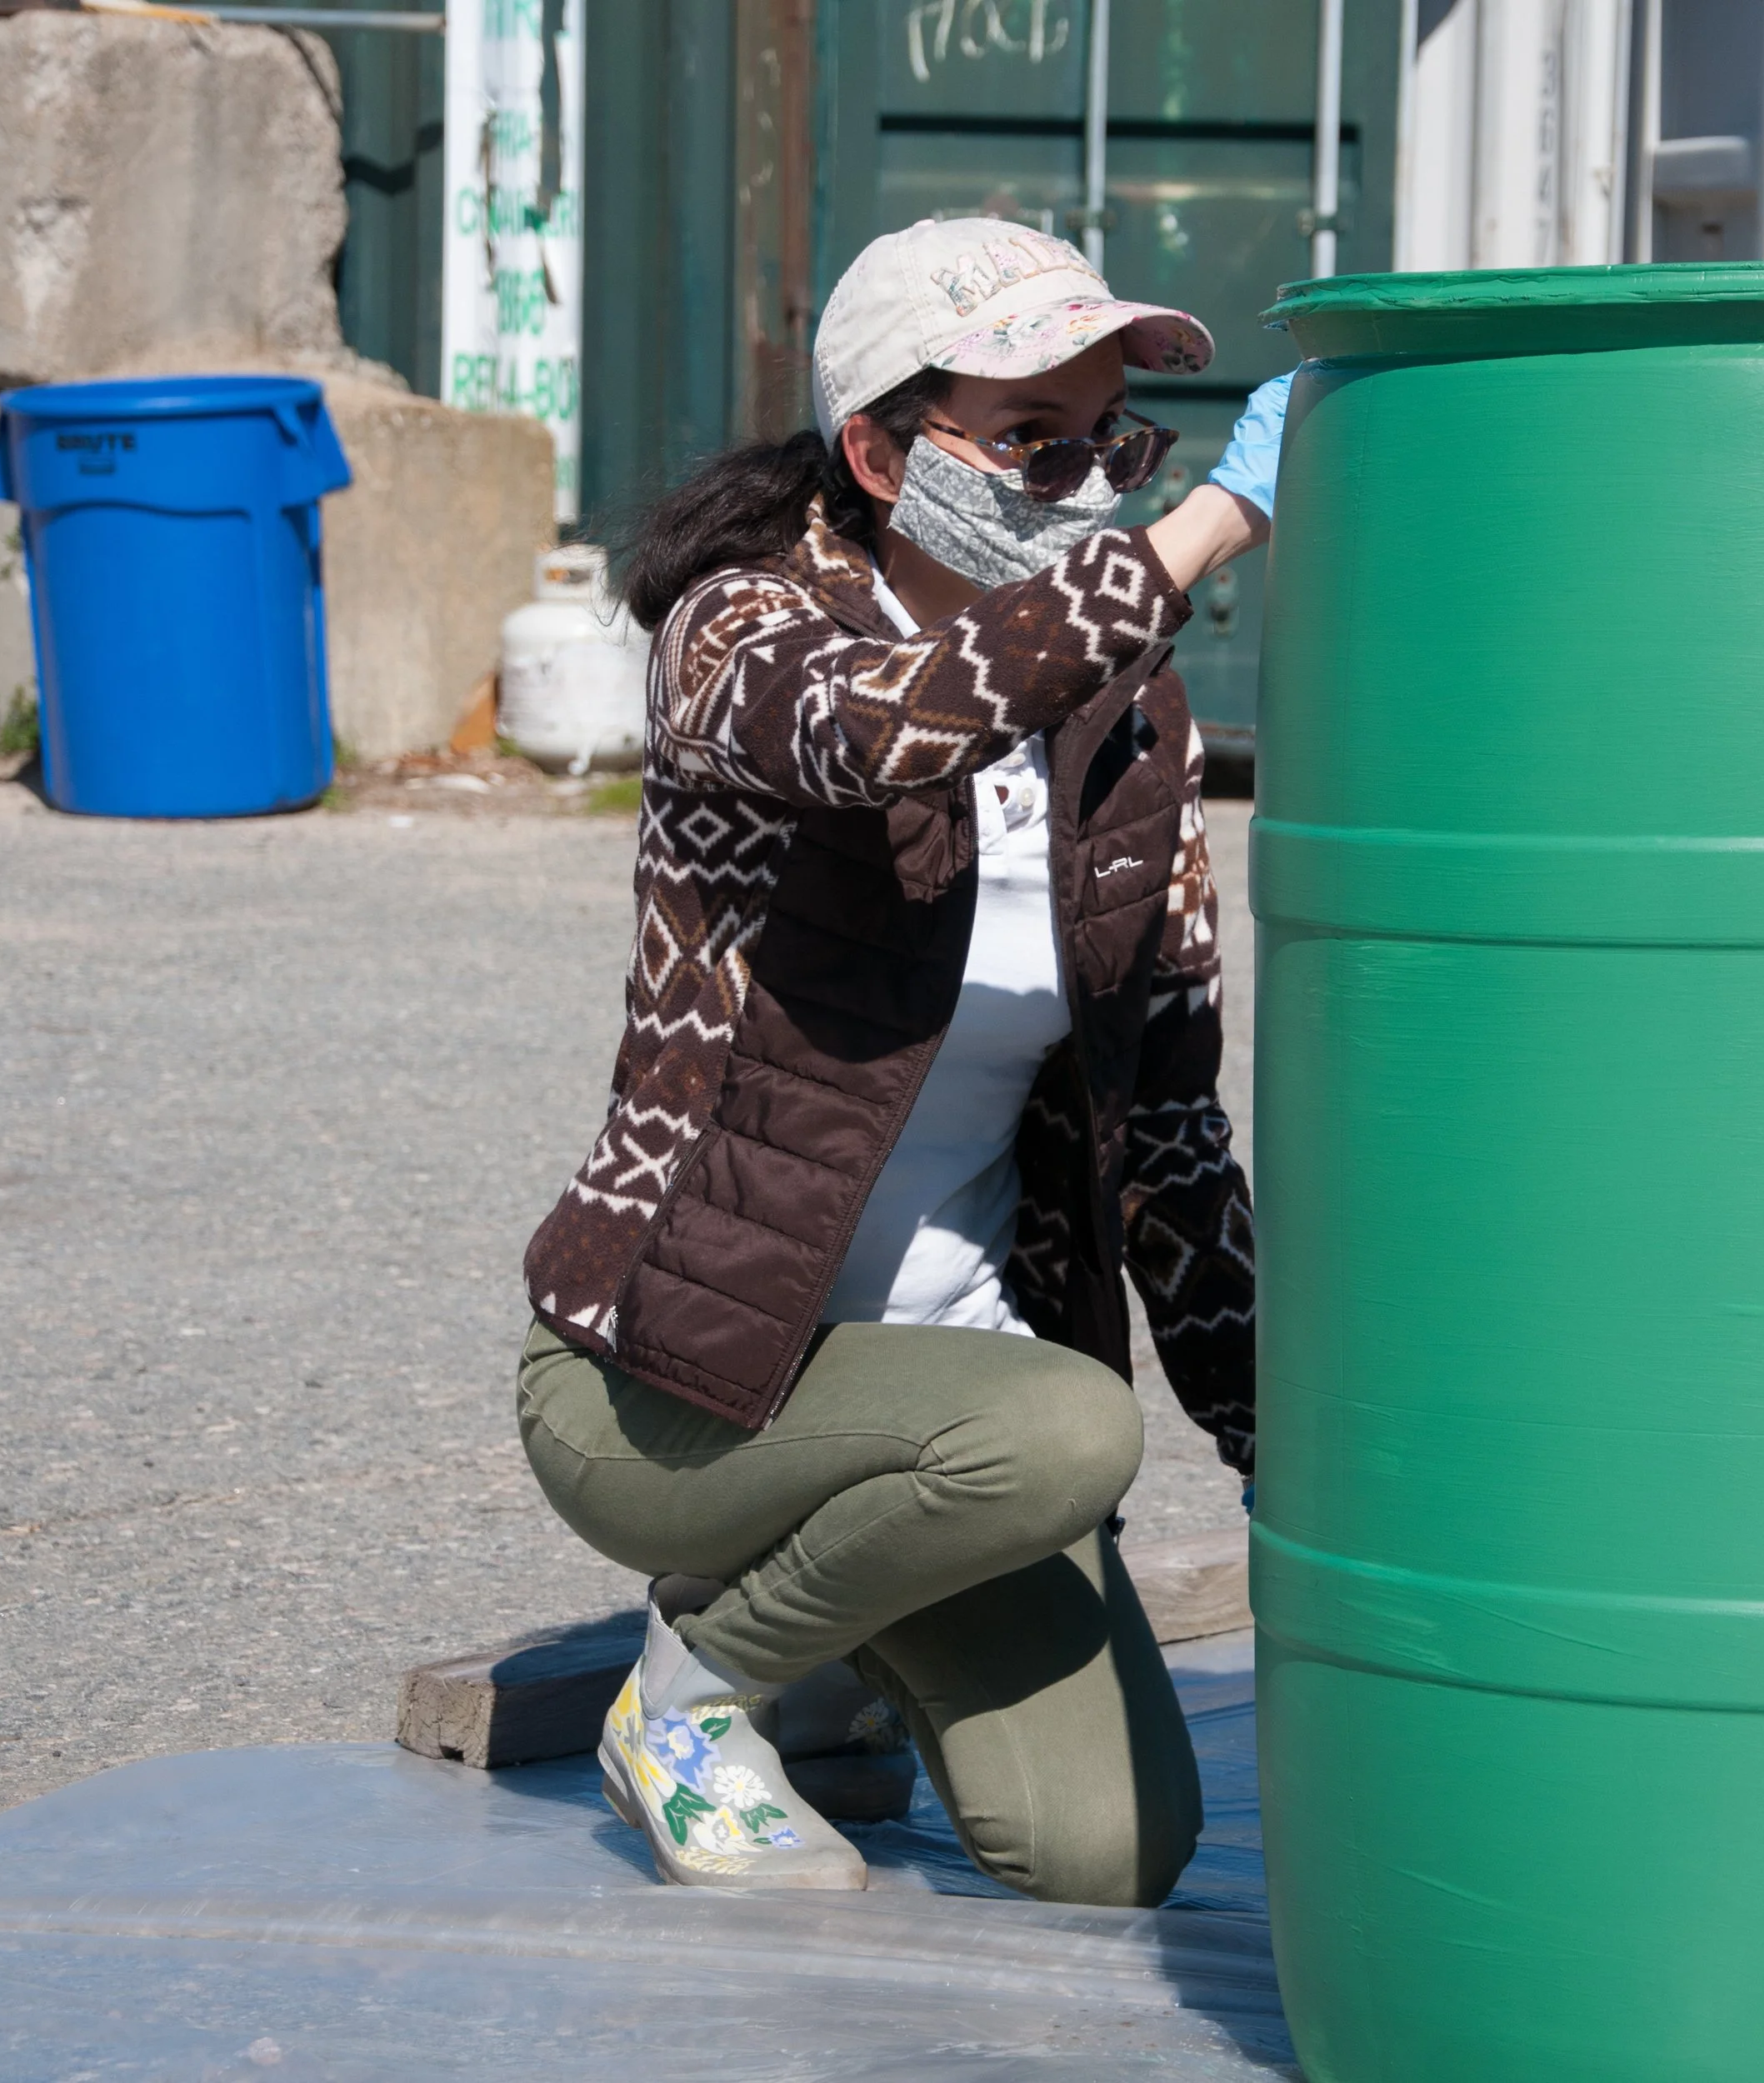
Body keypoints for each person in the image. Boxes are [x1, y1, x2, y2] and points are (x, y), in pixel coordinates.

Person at [517, 217, 1285, 1905]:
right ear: (874, 448)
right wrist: (1208, 515)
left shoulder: (1127, 719)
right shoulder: (739, 633)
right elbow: (884, 725)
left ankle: (827, 1652)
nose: (1080, 482)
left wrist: (1278, 1458)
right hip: (678, 1375)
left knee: (1113, 1846)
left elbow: (1165, 1137)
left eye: (1109, 442)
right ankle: (698, 1689)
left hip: (961, 1405)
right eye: (1030, 440)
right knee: (1070, 1431)